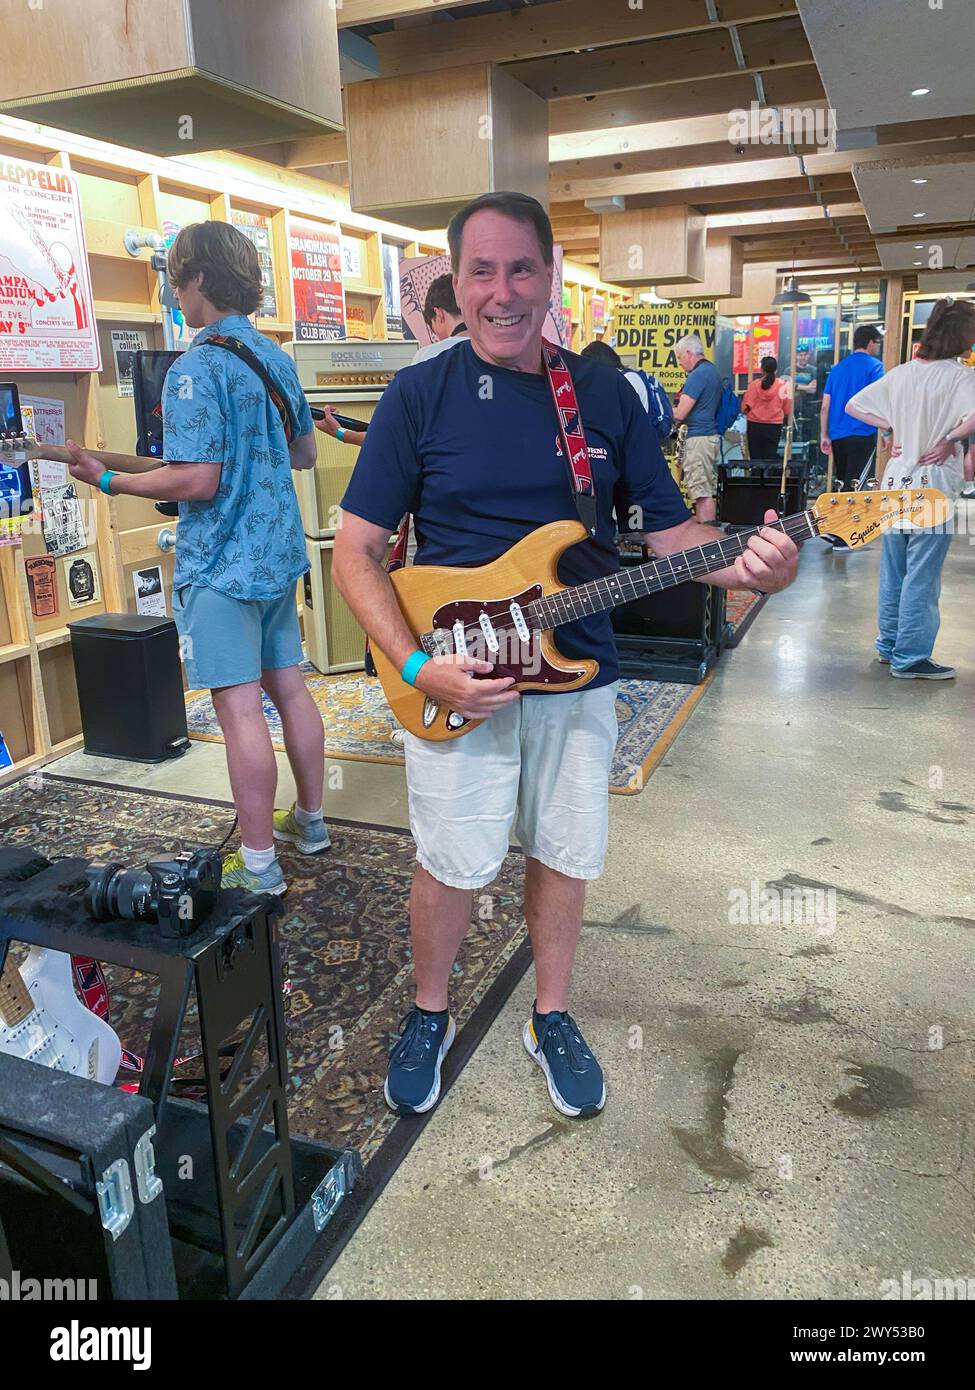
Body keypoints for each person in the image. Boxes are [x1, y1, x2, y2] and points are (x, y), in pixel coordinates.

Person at [332, 191, 799, 1120]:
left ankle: (550, 1013)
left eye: (520, 270)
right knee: (452, 859)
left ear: (548, 277)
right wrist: (419, 669)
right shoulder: (417, 393)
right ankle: (430, 1011)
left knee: (564, 852)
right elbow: (357, 550)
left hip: (579, 669)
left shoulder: (599, 392)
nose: (501, 292)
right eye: (481, 271)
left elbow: (669, 535)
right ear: (453, 283)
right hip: (454, 669)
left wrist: (753, 570)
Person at [65, 221, 331, 892]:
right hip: (277, 555)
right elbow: (303, 453)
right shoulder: (273, 356)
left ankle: (262, 866)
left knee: (240, 708)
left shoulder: (192, 369)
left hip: (220, 567)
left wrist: (107, 481)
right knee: (290, 690)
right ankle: (313, 820)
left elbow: (196, 480)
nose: (173, 291)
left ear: (201, 279)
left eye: (176, 277)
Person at [845, 297, 975, 681]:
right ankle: (912, 655)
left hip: (895, 483)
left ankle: (889, 646)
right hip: (932, 488)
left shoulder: (902, 373)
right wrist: (950, 437)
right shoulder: (960, 376)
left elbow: (854, 406)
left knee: (894, 569)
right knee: (922, 574)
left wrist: (890, 427)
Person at [673, 334, 722, 523]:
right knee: (706, 491)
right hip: (708, 436)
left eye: (679, 357)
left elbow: (680, 413)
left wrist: (659, 409)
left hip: (698, 439)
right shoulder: (712, 371)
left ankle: (705, 539)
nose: (679, 363)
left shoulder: (698, 375)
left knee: (701, 493)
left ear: (688, 353)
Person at [411, 273, 470, 364]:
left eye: (433, 329)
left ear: (439, 314)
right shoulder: (493, 349)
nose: (437, 337)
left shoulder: (426, 356)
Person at [741, 355, 792, 459]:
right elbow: (787, 410)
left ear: (761, 370)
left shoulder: (753, 385)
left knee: (755, 460)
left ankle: (755, 475)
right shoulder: (784, 385)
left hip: (754, 426)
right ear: (776, 370)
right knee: (770, 459)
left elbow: (744, 409)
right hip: (774, 427)